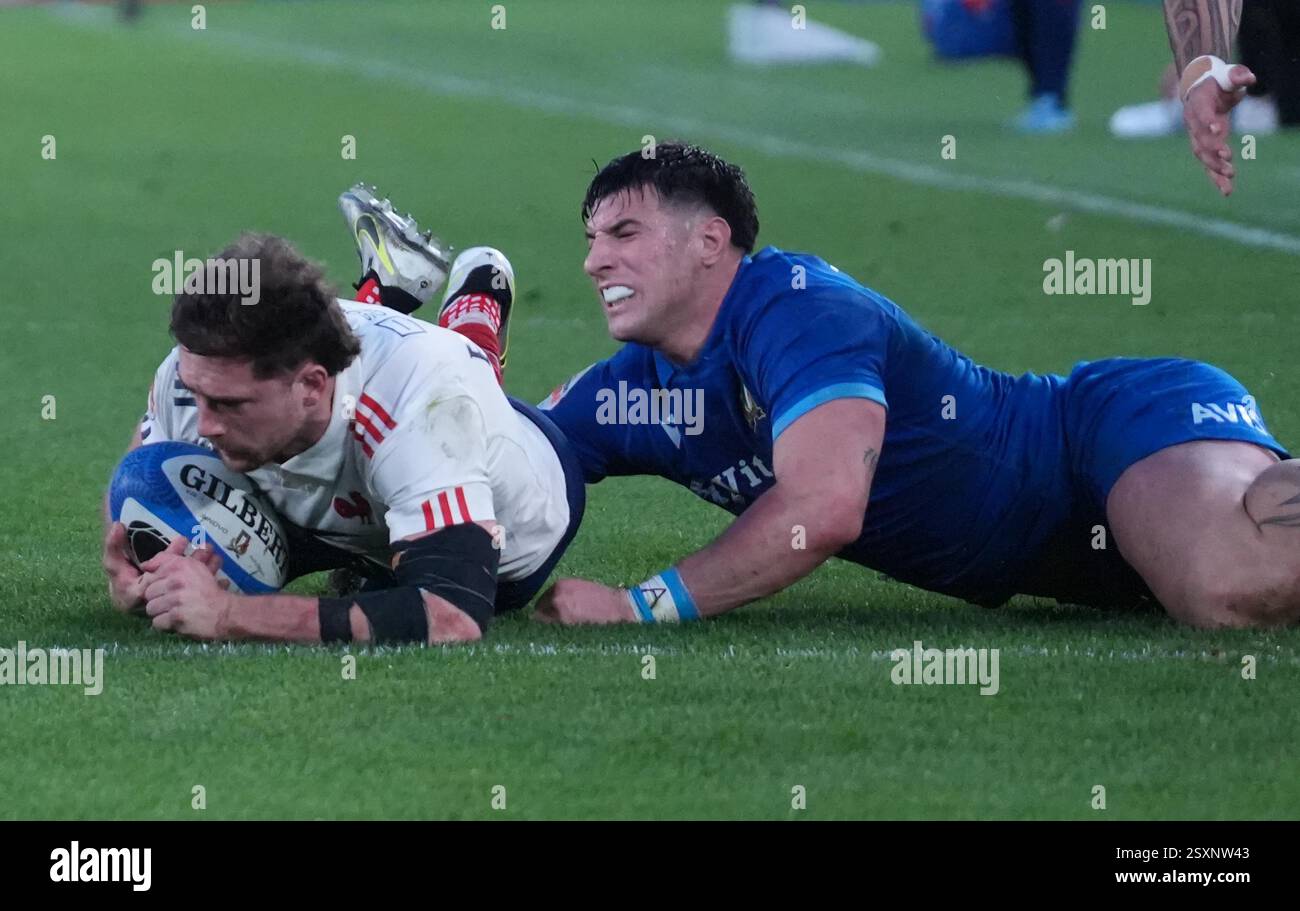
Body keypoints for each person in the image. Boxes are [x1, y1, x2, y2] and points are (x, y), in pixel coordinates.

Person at [512, 141, 1297, 629]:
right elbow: (514, 459)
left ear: (711, 240)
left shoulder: (797, 308)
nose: (593, 262)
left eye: (624, 234)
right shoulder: (630, 392)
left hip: (1104, 434)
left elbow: (822, 507)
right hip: (1075, 559)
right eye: (590, 241)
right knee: (1222, 581)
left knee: (1225, 589)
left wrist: (642, 605)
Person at [102, 219, 585, 646]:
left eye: (230, 405)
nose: (204, 424)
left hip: (512, 530)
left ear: (312, 384)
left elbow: (453, 615)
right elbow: (145, 475)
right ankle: (387, 289)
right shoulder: (198, 374)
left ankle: (473, 318)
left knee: (455, 379)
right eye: (196, 395)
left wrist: (229, 615)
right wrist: (130, 560)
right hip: (325, 500)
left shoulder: (422, 403)